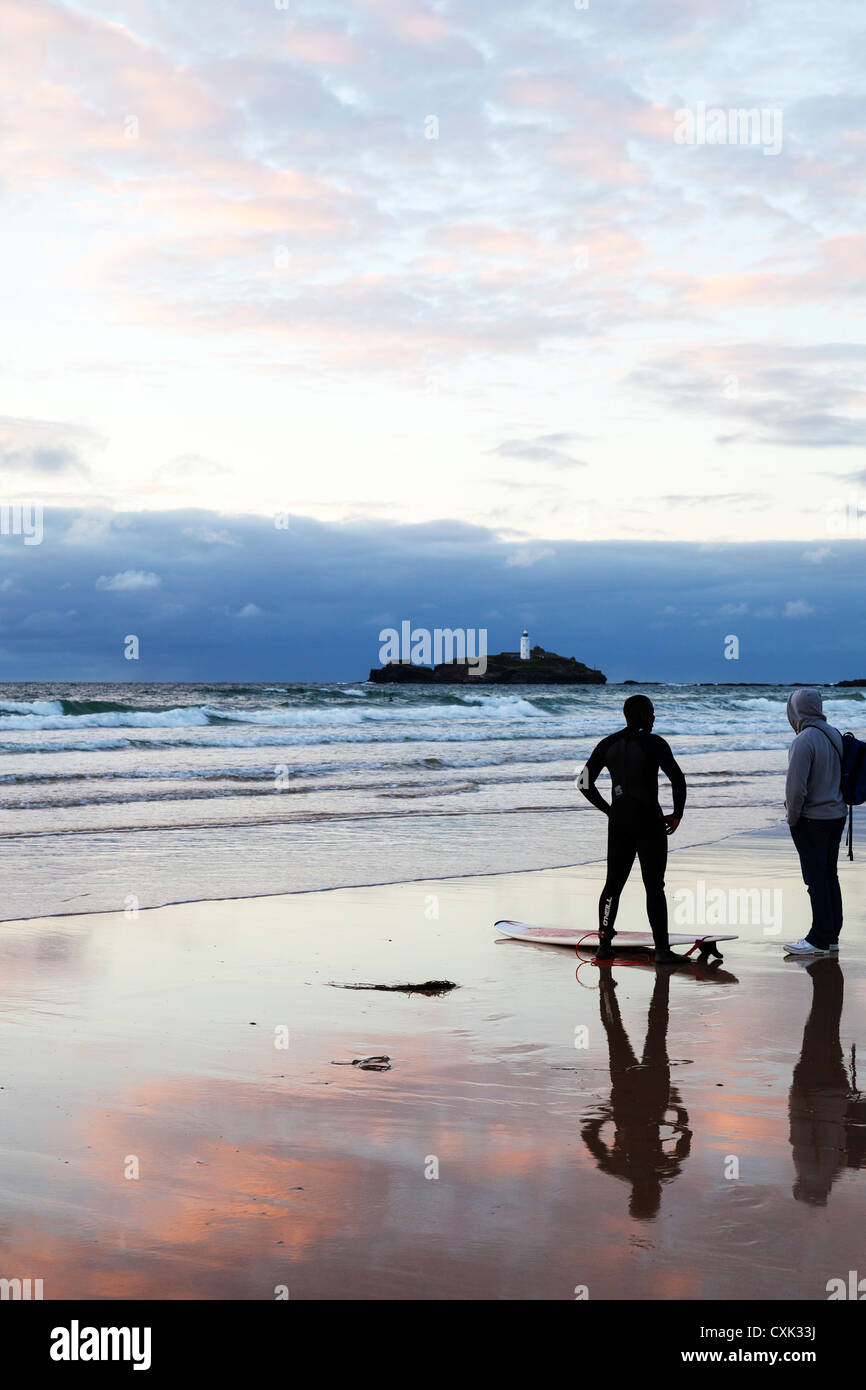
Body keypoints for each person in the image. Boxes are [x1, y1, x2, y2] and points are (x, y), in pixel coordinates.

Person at [579, 694, 688, 964]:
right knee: (654, 886)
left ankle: (604, 945)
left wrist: (609, 810)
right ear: (641, 715)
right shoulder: (655, 743)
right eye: (651, 712)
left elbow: (583, 783)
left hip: (619, 823)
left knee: (613, 884)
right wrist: (677, 814)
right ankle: (662, 950)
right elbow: (677, 779)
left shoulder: (607, 743)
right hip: (649, 821)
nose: (654, 717)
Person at [783, 688, 847, 956]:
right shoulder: (833, 733)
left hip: (812, 819)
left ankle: (818, 939)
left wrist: (792, 818)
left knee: (815, 879)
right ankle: (831, 935)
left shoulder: (803, 740)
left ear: (796, 709)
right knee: (829, 875)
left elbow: (796, 789)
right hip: (837, 815)